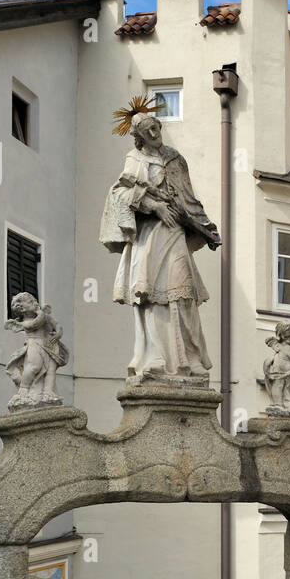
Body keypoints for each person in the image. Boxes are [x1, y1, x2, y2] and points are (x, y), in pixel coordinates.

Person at [100, 99, 221, 381]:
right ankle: (155, 358)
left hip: (175, 231)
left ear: (159, 125)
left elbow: (189, 198)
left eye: (154, 126)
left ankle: (191, 360)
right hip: (149, 235)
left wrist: (207, 229)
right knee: (151, 297)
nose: (153, 132)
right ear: (138, 137)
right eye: (145, 130)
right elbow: (119, 194)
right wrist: (154, 206)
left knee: (185, 292)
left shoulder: (176, 159)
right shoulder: (135, 159)